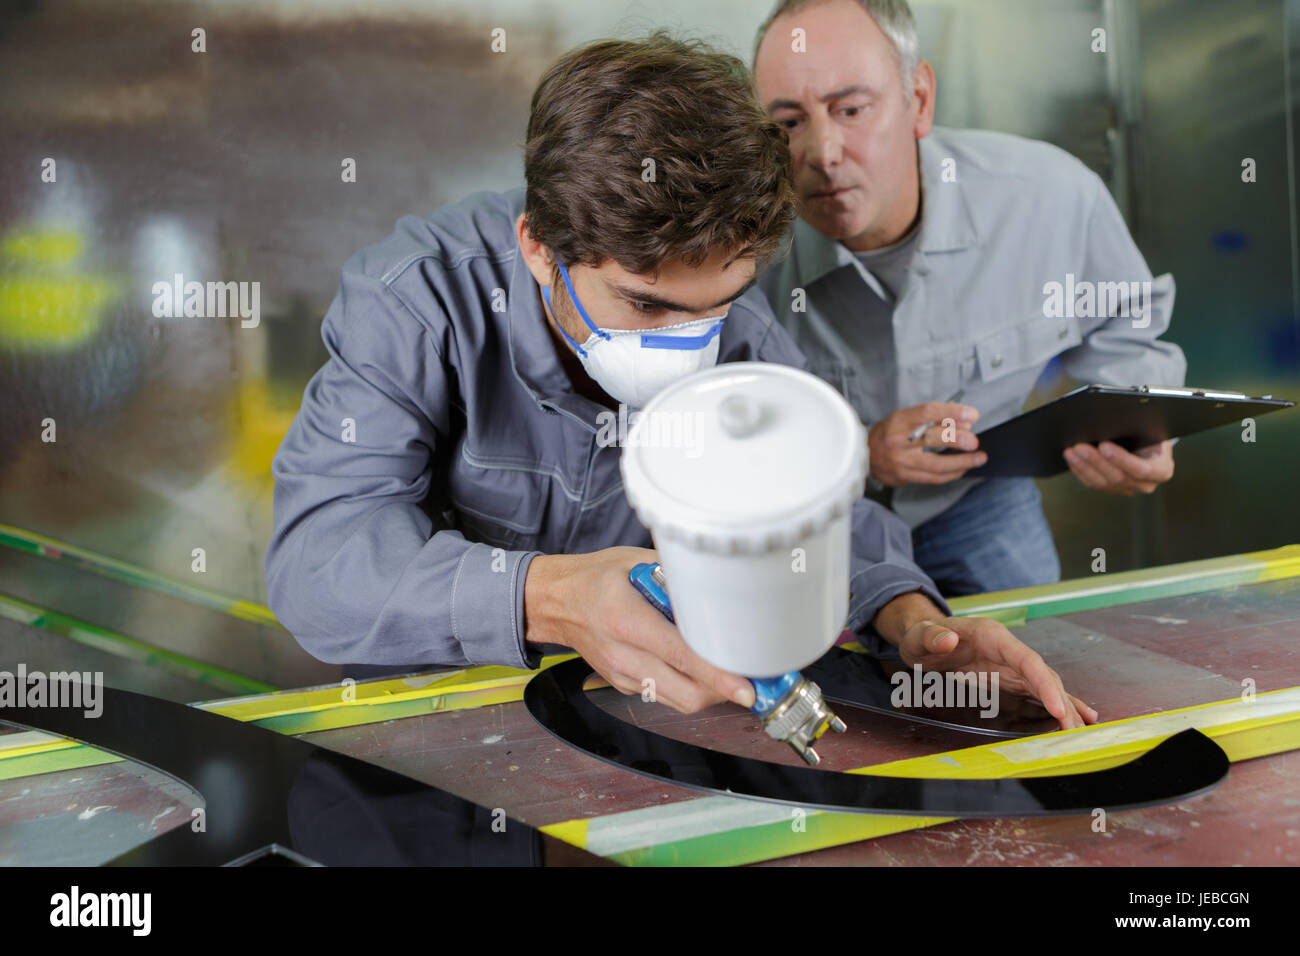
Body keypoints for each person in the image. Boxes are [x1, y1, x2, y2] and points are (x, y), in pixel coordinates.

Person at [266, 33, 1095, 730]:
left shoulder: (740, 327)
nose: (686, 347)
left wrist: (913, 624)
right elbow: (318, 564)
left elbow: (819, 505)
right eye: (645, 305)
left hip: (635, 720)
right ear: (538, 247)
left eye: (716, 306)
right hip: (442, 722)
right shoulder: (418, 303)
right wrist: (549, 596)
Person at [752, 0, 1187, 596]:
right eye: (789, 124)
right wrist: (859, 453)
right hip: (816, 519)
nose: (823, 154)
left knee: (1030, 672)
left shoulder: (1048, 199)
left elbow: (1127, 326)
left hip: (981, 500)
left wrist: (1138, 425)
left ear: (920, 101)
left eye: (851, 109)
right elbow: (720, 427)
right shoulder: (745, 251)